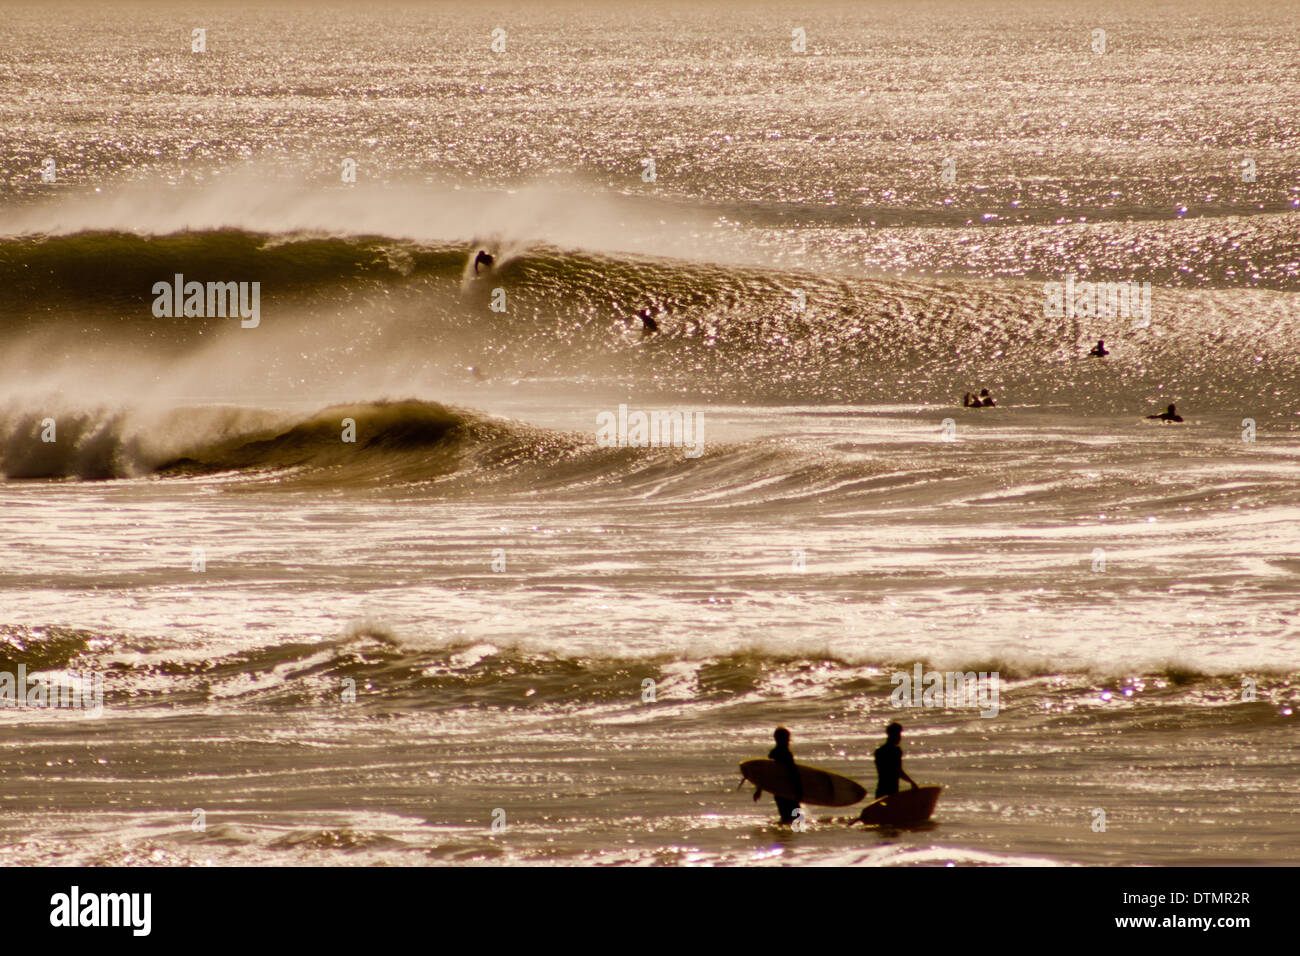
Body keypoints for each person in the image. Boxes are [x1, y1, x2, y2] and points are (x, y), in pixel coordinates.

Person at [753, 727, 803, 824]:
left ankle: (783, 836)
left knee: (786, 818)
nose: (789, 741)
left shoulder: (773, 753)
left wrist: (758, 790)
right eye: (787, 738)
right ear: (781, 739)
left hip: (778, 791)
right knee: (796, 819)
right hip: (789, 791)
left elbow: (766, 773)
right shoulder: (786, 753)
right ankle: (786, 836)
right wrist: (799, 790)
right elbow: (793, 772)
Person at [873, 722, 918, 798]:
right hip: (892, 791)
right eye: (899, 735)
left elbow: (882, 770)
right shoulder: (896, 751)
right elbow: (897, 771)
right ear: (894, 735)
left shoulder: (879, 751)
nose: (900, 737)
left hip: (880, 791)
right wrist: (912, 782)